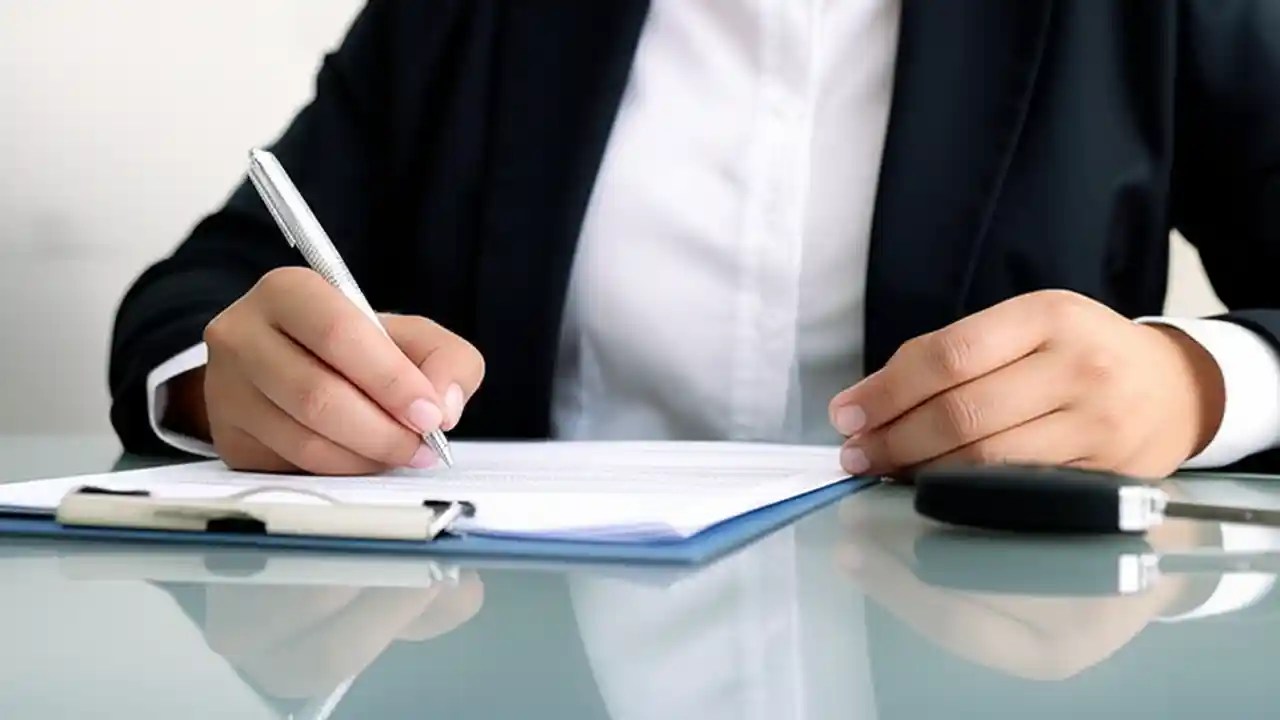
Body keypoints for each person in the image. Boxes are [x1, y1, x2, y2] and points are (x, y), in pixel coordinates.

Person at [109, 1, 1280, 477]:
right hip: (507, 646)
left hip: (1004, 651)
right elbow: (204, 289)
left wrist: (1193, 385)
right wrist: (228, 385)